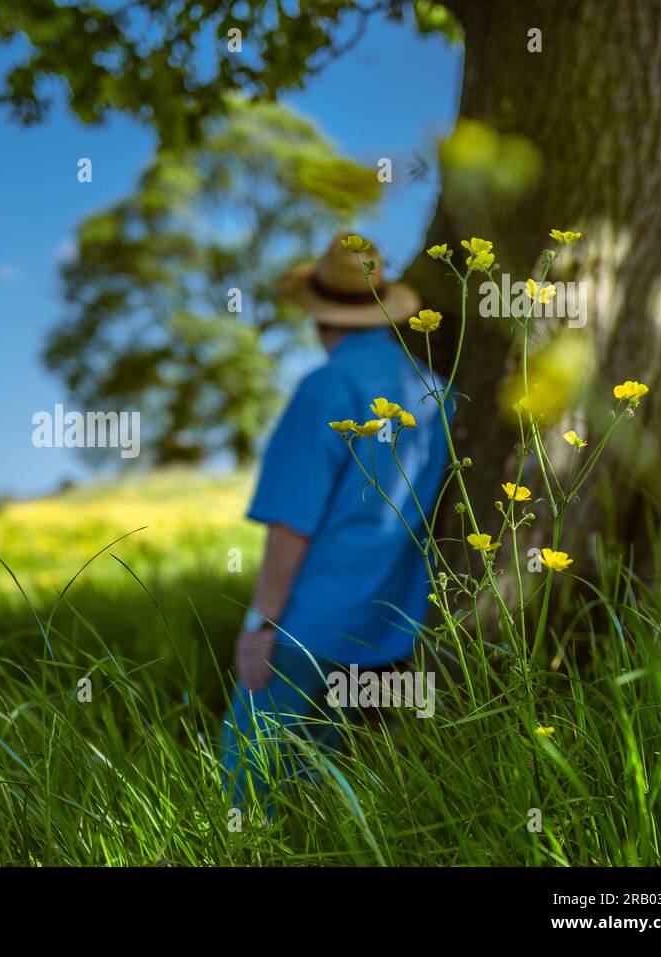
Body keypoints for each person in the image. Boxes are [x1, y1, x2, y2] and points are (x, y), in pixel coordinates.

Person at [222, 234, 451, 806]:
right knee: (326, 783)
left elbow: (291, 524)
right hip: (390, 623)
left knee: (247, 778)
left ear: (321, 319)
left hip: (309, 622)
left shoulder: (325, 389)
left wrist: (260, 625)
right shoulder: (436, 391)